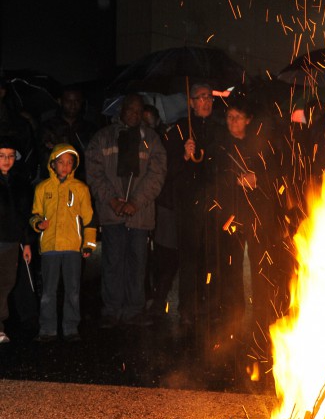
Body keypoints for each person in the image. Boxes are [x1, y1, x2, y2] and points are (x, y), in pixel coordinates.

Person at [216, 92, 282, 381]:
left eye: (238, 117)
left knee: (259, 280)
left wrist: (258, 180)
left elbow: (278, 177)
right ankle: (234, 335)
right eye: (229, 117)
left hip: (259, 223)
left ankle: (261, 335)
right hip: (232, 223)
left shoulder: (261, 146)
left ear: (248, 120)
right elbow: (214, 185)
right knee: (232, 281)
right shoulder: (222, 148)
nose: (233, 122)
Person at [86, 93, 166, 328]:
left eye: (138, 111)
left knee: (137, 262)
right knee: (112, 262)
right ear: (121, 110)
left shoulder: (151, 139)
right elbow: (94, 172)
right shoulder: (103, 138)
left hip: (139, 215)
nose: (133, 114)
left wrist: (135, 202)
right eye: (129, 110)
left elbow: (157, 175)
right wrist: (112, 200)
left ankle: (133, 310)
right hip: (113, 214)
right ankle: (111, 309)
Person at [164, 82, 225, 329]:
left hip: (212, 203)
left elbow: (221, 164)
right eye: (200, 97)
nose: (206, 101)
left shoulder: (217, 130)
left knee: (211, 256)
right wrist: (184, 156)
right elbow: (168, 170)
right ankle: (187, 307)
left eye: (209, 97)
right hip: (188, 205)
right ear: (190, 102)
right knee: (189, 257)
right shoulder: (178, 130)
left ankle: (209, 306)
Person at [30, 144, 96, 341]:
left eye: (69, 162)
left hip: (72, 248)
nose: (65, 166)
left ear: (74, 165)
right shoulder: (43, 188)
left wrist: (88, 244)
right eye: (61, 162)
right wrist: (38, 224)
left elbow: (89, 219)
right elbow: (35, 214)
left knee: (72, 289)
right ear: (53, 164)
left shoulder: (81, 189)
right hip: (50, 247)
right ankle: (47, 329)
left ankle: (70, 327)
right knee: (48, 290)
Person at [0, 136, 33, 344]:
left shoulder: (20, 182)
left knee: (7, 283)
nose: (6, 160)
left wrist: (26, 242)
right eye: (2, 155)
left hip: (11, 241)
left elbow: (23, 215)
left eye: (10, 156)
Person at [40, 87, 96, 180]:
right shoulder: (48, 127)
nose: (73, 105)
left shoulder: (89, 128)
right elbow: (43, 158)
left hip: (81, 181)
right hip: (55, 182)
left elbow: (94, 158)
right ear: (60, 101)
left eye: (77, 101)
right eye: (68, 101)